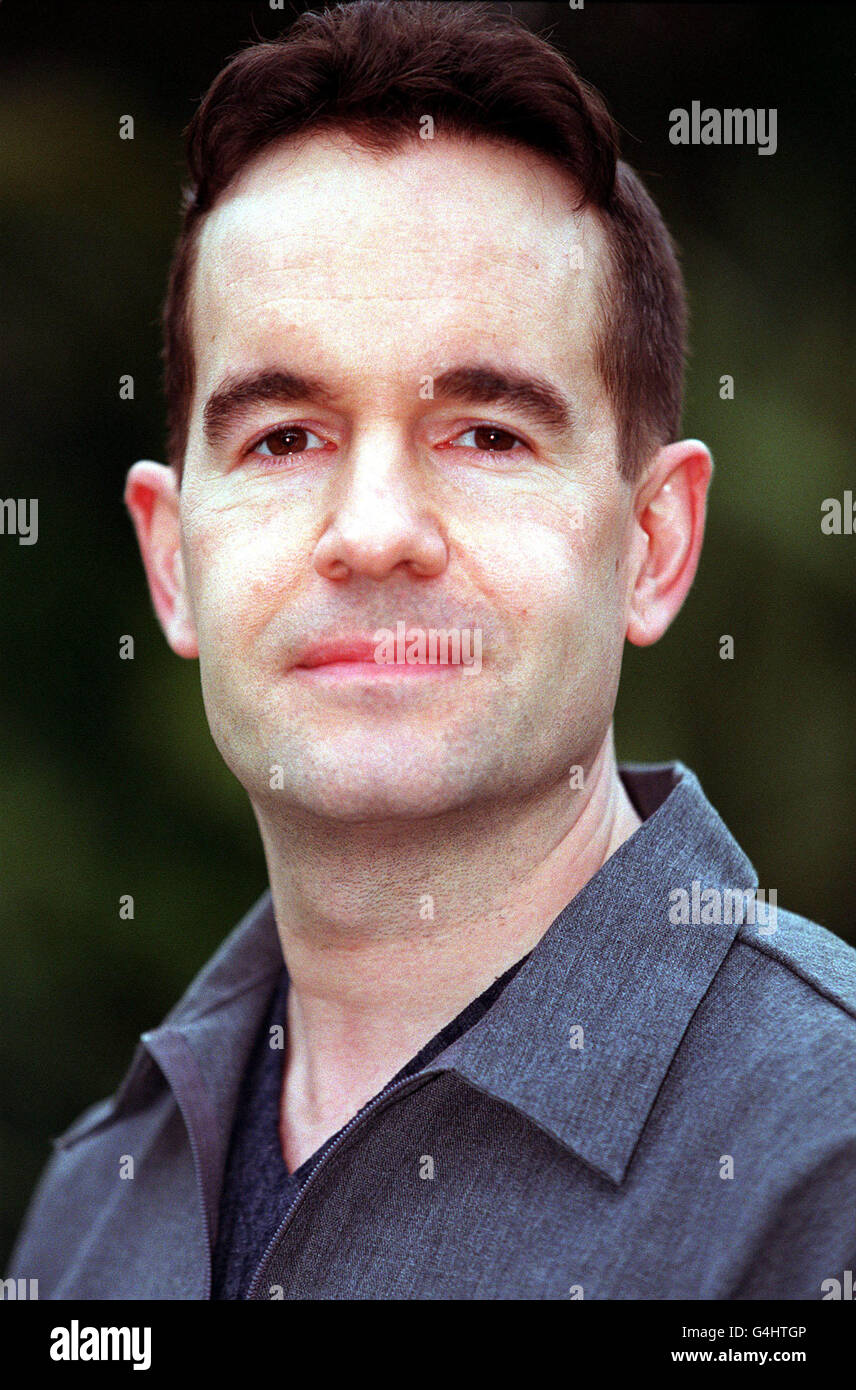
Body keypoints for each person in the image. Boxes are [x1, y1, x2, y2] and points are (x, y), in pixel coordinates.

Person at [9, 0, 855, 1300]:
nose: (374, 531)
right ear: (173, 561)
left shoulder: (826, 1152)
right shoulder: (95, 1205)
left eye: (485, 432)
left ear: (654, 544)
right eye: (284, 436)